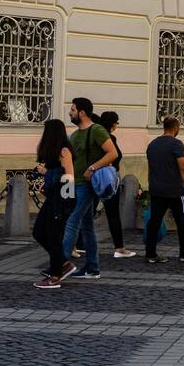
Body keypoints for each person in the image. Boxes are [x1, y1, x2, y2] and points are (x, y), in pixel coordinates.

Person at [62, 98, 118, 280]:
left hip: (87, 185)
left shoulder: (97, 130)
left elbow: (113, 153)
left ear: (82, 112)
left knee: (72, 221)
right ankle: (92, 268)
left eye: (72, 109)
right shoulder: (75, 135)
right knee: (87, 227)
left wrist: (92, 168)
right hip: (76, 183)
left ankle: (60, 265)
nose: (70, 113)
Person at [144, 116, 184, 264]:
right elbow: (183, 167)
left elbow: (150, 168)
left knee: (154, 221)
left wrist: (151, 185)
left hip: (157, 189)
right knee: (183, 221)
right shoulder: (176, 144)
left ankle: (150, 254)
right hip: (175, 190)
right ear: (175, 128)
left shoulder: (152, 145)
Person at [33, 119, 78, 288]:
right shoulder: (53, 152)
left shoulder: (64, 150)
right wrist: (46, 173)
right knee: (39, 232)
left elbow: (69, 176)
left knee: (53, 236)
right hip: (53, 198)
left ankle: (55, 276)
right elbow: (56, 172)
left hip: (62, 198)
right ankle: (63, 264)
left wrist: (65, 200)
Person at [95, 112, 136, 260]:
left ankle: (77, 245)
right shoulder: (108, 138)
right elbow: (114, 156)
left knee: (85, 211)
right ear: (111, 124)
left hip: (94, 177)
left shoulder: (95, 134)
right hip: (106, 179)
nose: (117, 125)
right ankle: (119, 248)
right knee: (113, 213)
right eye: (116, 122)